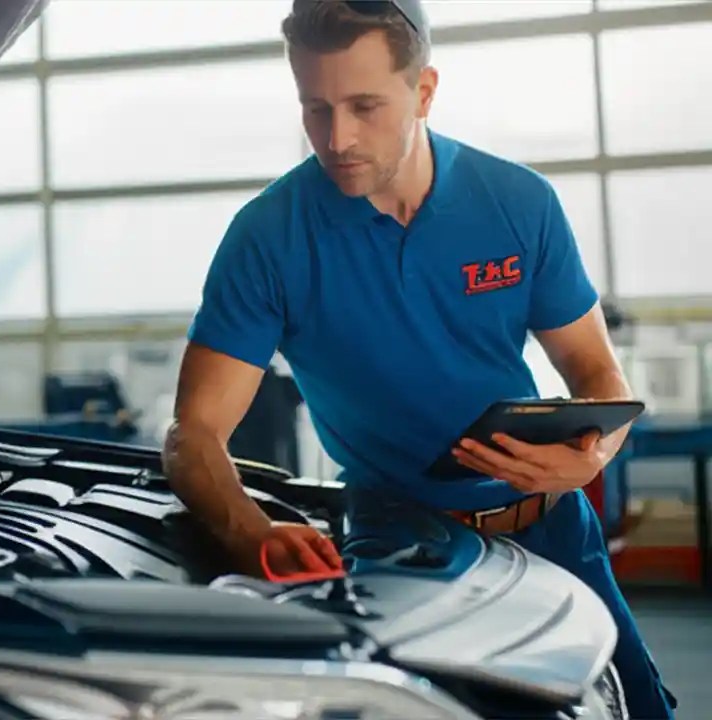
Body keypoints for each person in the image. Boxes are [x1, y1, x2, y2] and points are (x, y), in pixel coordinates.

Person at [160, 1, 676, 717]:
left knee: (639, 708)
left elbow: (598, 375)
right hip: (400, 539)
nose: (336, 138)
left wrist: (594, 454)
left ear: (424, 91)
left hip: (557, 528)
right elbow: (194, 434)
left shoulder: (518, 204)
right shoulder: (267, 238)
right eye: (315, 109)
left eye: (364, 106)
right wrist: (249, 531)